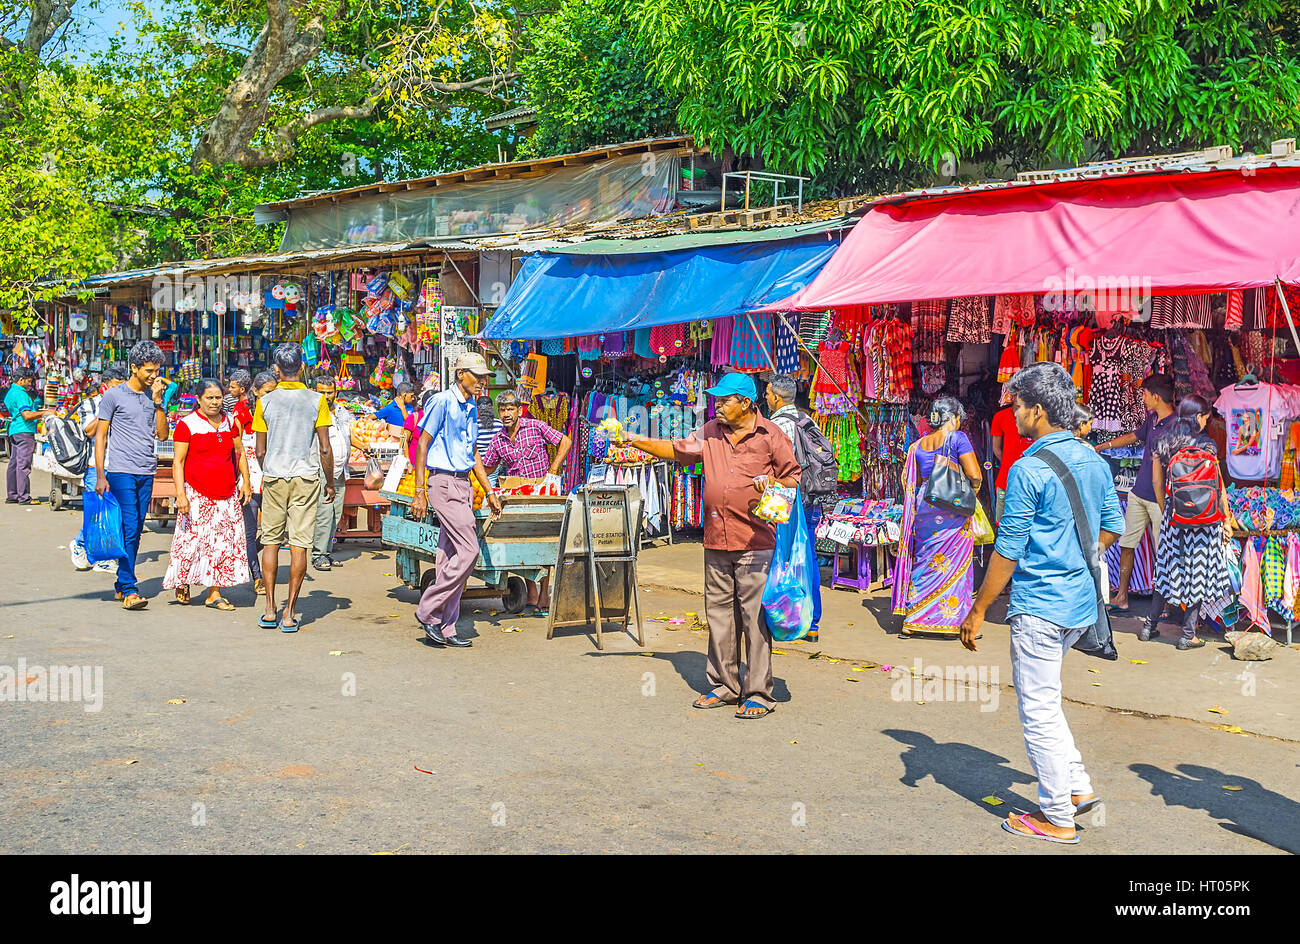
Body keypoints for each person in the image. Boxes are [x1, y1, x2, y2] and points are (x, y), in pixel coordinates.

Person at [960, 362, 1124, 845]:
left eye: (1016, 406)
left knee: (1037, 709)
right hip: (1079, 605)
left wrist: (977, 610)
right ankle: (1075, 788)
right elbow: (1111, 528)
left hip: (1041, 605)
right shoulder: (1094, 459)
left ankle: (1056, 816)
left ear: (1037, 409)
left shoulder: (1027, 468)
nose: (1012, 415)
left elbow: (1008, 549)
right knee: (1047, 701)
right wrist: (1073, 556)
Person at [620, 372, 800, 719]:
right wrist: (633, 439)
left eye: (725, 400)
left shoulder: (771, 435)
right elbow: (677, 450)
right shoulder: (711, 431)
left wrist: (772, 485)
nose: (717, 405)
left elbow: (792, 477)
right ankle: (725, 685)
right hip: (716, 538)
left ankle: (759, 692)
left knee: (754, 620)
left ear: (746, 403)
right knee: (719, 615)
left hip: (755, 540)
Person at [411, 352, 502, 648]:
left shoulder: (472, 407)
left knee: (449, 558)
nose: (482, 381)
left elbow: (473, 453)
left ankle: (445, 627)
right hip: (443, 483)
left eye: (484, 377)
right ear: (460, 373)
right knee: (469, 551)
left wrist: (489, 491)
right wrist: (419, 490)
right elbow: (422, 442)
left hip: (463, 484)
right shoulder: (442, 401)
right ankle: (428, 609)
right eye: (477, 375)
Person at [253, 344, 335, 632]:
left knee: (271, 542)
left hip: (274, 476)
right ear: (302, 367)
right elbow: (325, 448)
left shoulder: (265, 402)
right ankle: (289, 613)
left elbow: (259, 450)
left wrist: (270, 471)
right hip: (306, 477)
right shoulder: (317, 401)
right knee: (300, 545)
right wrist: (331, 483)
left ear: (277, 370)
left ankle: (270, 608)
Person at [1143, 394, 1233, 650]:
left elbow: (1157, 483)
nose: (1207, 421)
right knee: (1198, 571)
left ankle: (1149, 626)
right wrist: (1225, 519)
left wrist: (1167, 511)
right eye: (1206, 417)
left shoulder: (1163, 441)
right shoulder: (1206, 445)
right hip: (1205, 520)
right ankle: (1188, 634)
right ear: (1199, 417)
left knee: (1166, 570)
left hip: (1175, 518)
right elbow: (1219, 486)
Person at [891, 396, 983, 638]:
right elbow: (975, 475)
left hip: (925, 505)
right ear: (953, 418)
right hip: (952, 507)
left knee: (925, 560)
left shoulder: (918, 445)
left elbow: (918, 479)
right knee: (952, 565)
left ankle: (913, 620)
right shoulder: (958, 438)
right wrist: (973, 492)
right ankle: (949, 623)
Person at [162, 379, 253, 608]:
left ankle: (214, 592)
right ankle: (184, 580)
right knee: (191, 541)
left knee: (222, 545)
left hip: (226, 493)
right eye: (209, 398)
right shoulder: (187, 424)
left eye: (218, 397)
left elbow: (239, 452)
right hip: (196, 494)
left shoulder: (230, 421)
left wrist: (246, 482)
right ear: (199, 399)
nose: (215, 402)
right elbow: (178, 463)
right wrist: (180, 495)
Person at [94, 341, 170, 611]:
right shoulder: (114, 396)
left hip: (146, 470)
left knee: (136, 528)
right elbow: (100, 436)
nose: (153, 375)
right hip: (120, 470)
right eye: (148, 370)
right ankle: (129, 588)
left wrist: (159, 404)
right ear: (134, 367)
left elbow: (162, 435)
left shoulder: (155, 397)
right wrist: (101, 475)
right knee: (128, 524)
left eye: (157, 370)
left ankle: (120, 583)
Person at [481, 389, 572, 614]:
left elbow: (566, 442)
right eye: (502, 409)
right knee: (522, 541)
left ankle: (544, 594)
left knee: (545, 541)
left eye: (510, 409)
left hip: (543, 495)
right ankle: (531, 593)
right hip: (517, 498)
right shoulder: (498, 440)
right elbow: (488, 466)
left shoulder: (536, 426)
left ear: (519, 410)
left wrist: (553, 469)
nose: (506, 413)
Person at [1094, 374, 1176, 615]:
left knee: (1164, 549)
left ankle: (1166, 602)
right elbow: (1133, 437)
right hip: (1138, 493)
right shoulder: (1152, 420)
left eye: (1144, 394)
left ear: (1156, 396)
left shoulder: (1176, 424)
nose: (1142, 399)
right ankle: (1121, 596)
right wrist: (1102, 446)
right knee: (1127, 543)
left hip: (1161, 497)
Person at [765, 372, 822, 642]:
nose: (765, 397)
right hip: (811, 496)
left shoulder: (775, 425)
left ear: (776, 397)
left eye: (766, 394)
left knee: (779, 555)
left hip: (785, 495)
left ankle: (786, 615)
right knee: (806, 555)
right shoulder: (806, 419)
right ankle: (812, 621)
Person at [70, 368, 126, 571]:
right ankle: (90, 550)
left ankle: (86, 546)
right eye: (116, 385)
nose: (120, 389)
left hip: (120, 464)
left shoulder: (126, 402)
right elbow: (88, 431)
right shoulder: (90, 403)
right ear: (106, 385)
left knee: (114, 512)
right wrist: (106, 407)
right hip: (97, 465)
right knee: (97, 512)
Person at [311, 372, 353, 571]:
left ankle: (327, 551)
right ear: (314, 391)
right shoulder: (312, 412)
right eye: (322, 392)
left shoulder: (342, 411)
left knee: (336, 513)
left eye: (330, 392)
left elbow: (348, 437)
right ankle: (318, 554)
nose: (326, 396)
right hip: (321, 470)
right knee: (324, 513)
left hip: (340, 471)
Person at [242, 372, 276, 595]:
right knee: (250, 530)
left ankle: (247, 553)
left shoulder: (279, 415)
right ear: (255, 391)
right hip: (250, 481)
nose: (272, 397)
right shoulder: (241, 415)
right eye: (267, 392)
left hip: (274, 480)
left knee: (277, 531)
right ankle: (257, 576)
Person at [5, 367, 55, 504]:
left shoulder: (10, 392)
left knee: (14, 463)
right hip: (24, 431)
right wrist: (46, 413)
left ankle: (13, 494)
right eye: (28, 381)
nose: (30, 384)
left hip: (15, 430)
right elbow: (26, 415)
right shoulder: (20, 394)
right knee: (23, 465)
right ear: (21, 380)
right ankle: (24, 497)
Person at [991, 397, 1031, 523]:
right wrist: (1010, 464)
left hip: (1030, 481)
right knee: (1003, 522)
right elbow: (996, 449)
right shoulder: (1000, 417)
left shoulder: (1035, 417)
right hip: (1005, 479)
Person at [476, 395, 503, 487]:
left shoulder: (473, 424)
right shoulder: (500, 424)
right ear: (492, 408)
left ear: (477, 409)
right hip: (494, 465)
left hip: (478, 466)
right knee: (491, 487)